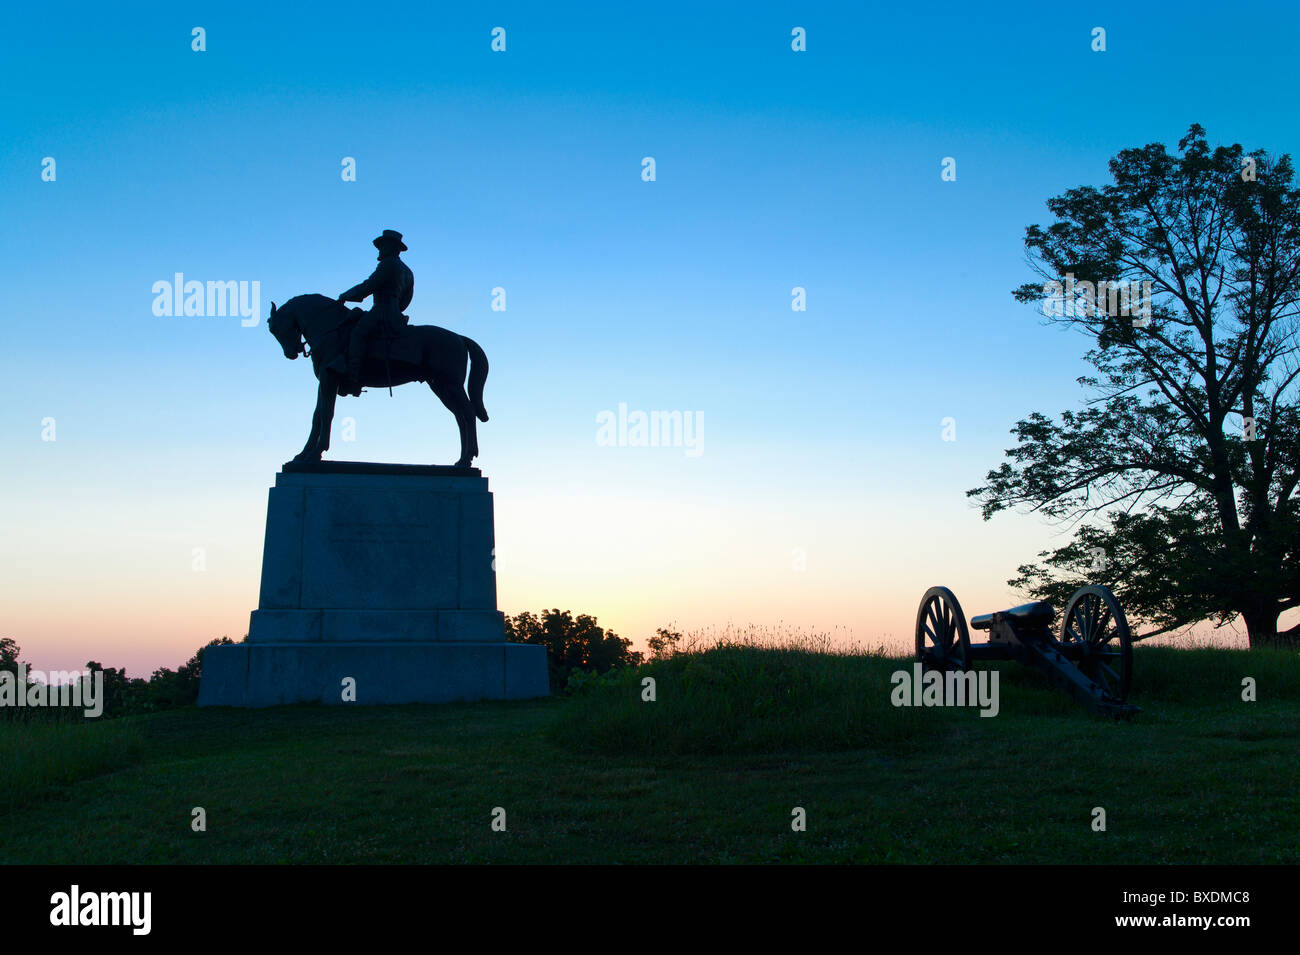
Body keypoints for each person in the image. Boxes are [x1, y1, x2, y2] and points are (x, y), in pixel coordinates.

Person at [337, 229, 414, 396]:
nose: (380, 249)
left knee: (358, 333)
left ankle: (353, 378)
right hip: (396, 312)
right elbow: (407, 297)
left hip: (382, 310)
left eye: (382, 246)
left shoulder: (388, 264)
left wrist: (345, 296)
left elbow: (368, 285)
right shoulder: (407, 270)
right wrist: (397, 310)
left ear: (391, 247)